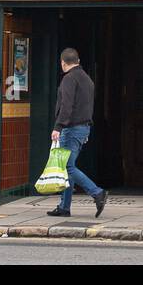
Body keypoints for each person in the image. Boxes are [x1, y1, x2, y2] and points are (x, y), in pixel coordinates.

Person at [47, 48, 107, 218]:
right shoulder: (87, 79)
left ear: (63, 63)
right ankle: (64, 207)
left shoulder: (69, 79)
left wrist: (58, 127)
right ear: (78, 61)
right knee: (69, 166)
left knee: (67, 166)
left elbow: (67, 106)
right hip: (83, 128)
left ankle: (97, 193)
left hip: (71, 129)